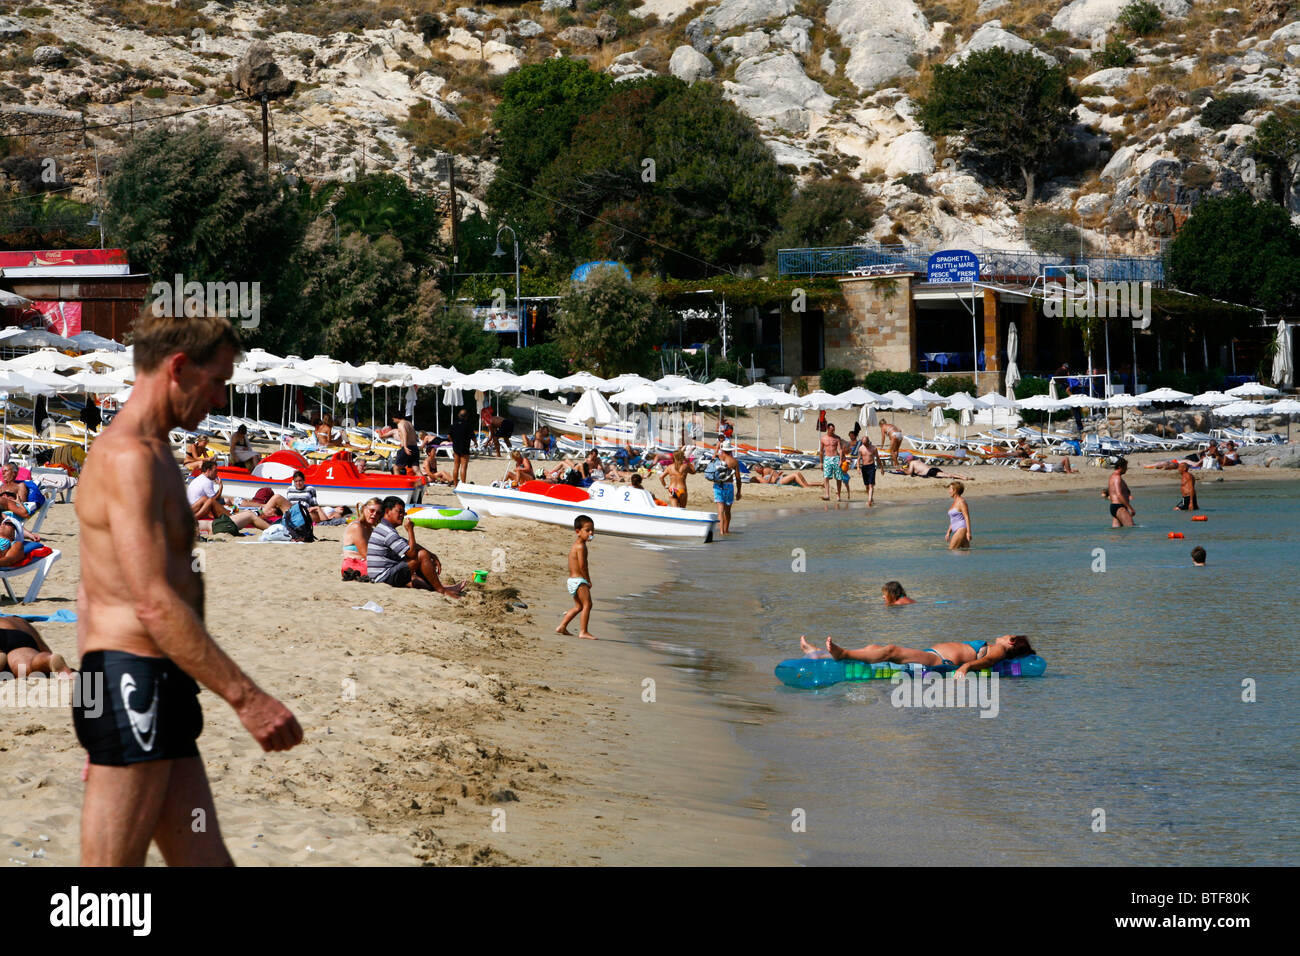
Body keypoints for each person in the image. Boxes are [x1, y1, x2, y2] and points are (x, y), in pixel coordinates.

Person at [74, 311, 302, 866]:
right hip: (133, 685)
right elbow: (151, 601)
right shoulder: (130, 458)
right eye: (218, 381)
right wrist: (247, 699)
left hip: (151, 688)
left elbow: (89, 591)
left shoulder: (155, 452)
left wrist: (96, 715)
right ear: (179, 367)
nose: (221, 400)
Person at [802, 633, 1037, 678]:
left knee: (891, 650)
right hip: (933, 655)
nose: (1004, 634)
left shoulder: (999, 649)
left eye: (1009, 634)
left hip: (939, 662)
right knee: (876, 647)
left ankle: (841, 654)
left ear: (1012, 641)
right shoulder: (998, 647)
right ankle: (819, 654)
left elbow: (987, 661)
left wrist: (966, 668)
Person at [366, 496, 465, 597]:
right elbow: (412, 552)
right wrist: (410, 530)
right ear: (387, 511)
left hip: (382, 576)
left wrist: (432, 555)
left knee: (422, 555)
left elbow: (408, 544)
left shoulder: (384, 528)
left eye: (403, 513)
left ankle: (438, 587)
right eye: (399, 512)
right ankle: (441, 590)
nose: (402, 515)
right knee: (421, 555)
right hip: (382, 578)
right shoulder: (387, 532)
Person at [556, 515, 595, 640]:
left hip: (572, 580)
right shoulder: (581, 546)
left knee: (579, 606)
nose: (591, 533)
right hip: (579, 580)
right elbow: (583, 566)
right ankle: (583, 631)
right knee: (587, 605)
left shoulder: (576, 545)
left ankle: (562, 626)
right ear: (578, 531)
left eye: (592, 530)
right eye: (587, 530)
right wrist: (588, 580)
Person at [0, 615, 70, 677]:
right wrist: (46, 656)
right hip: (22, 636)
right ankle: (48, 660)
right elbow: (43, 647)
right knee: (28, 666)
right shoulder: (20, 621)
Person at [342, 496, 380, 581]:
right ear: (363, 509)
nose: (374, 514)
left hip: (364, 563)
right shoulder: (357, 526)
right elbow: (365, 554)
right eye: (372, 510)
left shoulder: (370, 529)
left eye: (378, 513)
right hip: (353, 566)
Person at [712, 442, 742, 535]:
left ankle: (721, 531)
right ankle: (726, 530)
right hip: (729, 485)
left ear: (722, 449)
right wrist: (738, 491)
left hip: (717, 485)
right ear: (730, 450)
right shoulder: (734, 461)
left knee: (720, 509)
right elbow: (738, 478)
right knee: (727, 510)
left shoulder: (716, 458)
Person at [819, 422, 846, 501]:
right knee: (826, 477)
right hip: (827, 458)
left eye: (833, 430)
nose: (833, 431)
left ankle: (838, 495)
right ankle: (827, 495)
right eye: (831, 430)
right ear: (828, 429)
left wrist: (840, 460)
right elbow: (821, 451)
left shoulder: (837, 438)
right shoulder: (823, 438)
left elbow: (840, 450)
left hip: (836, 458)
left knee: (838, 477)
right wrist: (821, 462)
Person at [896, 452, 972, 481]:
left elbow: (909, 472)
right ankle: (962, 477)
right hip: (932, 468)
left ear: (908, 460)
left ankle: (963, 478)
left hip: (930, 472)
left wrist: (903, 470)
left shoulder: (912, 463)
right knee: (946, 474)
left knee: (947, 475)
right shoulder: (918, 461)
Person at [1107, 457, 1135, 527]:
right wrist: (1130, 508)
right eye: (1125, 467)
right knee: (1131, 527)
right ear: (1120, 467)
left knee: (1117, 535)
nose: (1126, 469)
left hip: (1115, 507)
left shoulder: (1113, 477)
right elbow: (1119, 494)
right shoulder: (1117, 478)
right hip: (1119, 507)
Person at [945, 480, 972, 550]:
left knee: (951, 550)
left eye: (950, 489)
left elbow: (967, 517)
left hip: (961, 529)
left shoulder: (961, 502)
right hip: (956, 529)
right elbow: (954, 519)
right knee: (965, 553)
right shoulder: (954, 502)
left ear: (955, 490)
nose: (949, 491)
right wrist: (948, 532)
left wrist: (968, 532)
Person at [449, 409, 473, 485]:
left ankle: (455, 485)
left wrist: (452, 441)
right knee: (463, 467)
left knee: (456, 467)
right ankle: (463, 485)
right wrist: (475, 442)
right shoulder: (468, 425)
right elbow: (473, 437)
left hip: (456, 447)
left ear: (459, 415)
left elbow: (449, 435)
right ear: (466, 417)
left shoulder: (454, 424)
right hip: (465, 447)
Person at [856, 433, 878, 506]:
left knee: (871, 485)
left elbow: (878, 458)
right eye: (863, 443)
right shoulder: (861, 448)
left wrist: (881, 468)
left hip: (871, 466)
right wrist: (858, 467)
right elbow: (858, 459)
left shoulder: (873, 448)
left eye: (865, 443)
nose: (864, 444)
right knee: (867, 485)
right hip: (864, 467)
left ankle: (869, 501)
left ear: (868, 441)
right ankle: (871, 498)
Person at [749, 464, 814, 487]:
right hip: (780, 481)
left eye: (756, 470)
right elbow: (769, 482)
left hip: (780, 479)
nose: (756, 472)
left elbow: (772, 479)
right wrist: (773, 475)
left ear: (760, 468)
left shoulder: (765, 472)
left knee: (798, 474)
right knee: (795, 474)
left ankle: (819, 484)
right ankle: (806, 487)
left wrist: (775, 475)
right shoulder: (762, 477)